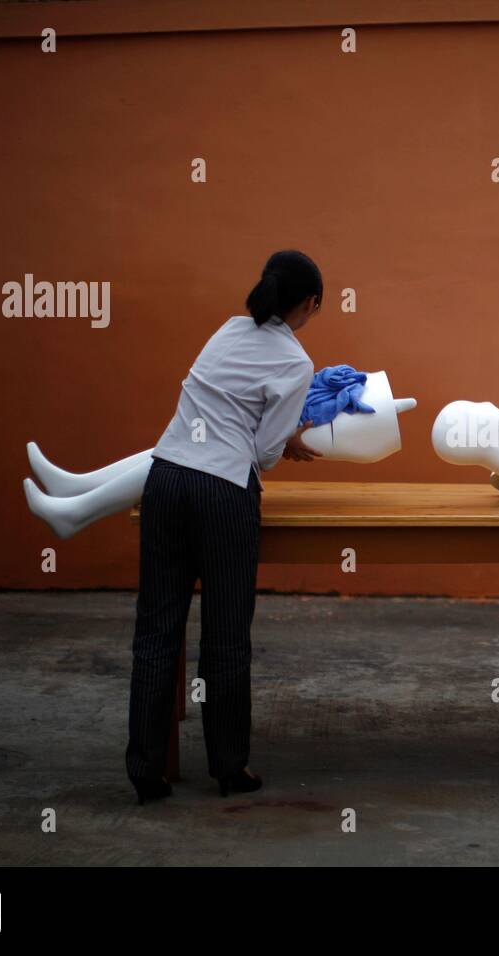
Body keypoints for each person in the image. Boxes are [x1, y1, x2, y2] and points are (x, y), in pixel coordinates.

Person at [126, 249, 323, 804]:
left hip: (165, 478)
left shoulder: (226, 330)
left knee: (156, 630)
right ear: (309, 303)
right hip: (222, 492)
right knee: (226, 637)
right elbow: (260, 454)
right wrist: (287, 438)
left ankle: (146, 770)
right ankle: (229, 768)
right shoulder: (295, 361)